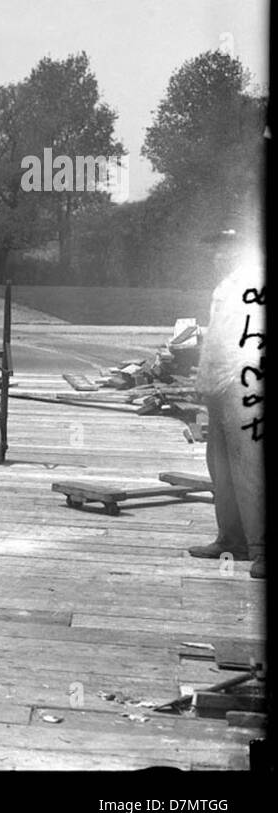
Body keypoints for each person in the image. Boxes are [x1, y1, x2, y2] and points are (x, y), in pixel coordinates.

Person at [188, 228, 265, 579]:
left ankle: (262, 548)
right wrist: (205, 380)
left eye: (227, 248)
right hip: (219, 386)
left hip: (244, 384)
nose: (219, 255)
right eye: (216, 248)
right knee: (220, 467)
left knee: (250, 468)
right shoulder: (225, 286)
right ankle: (231, 539)